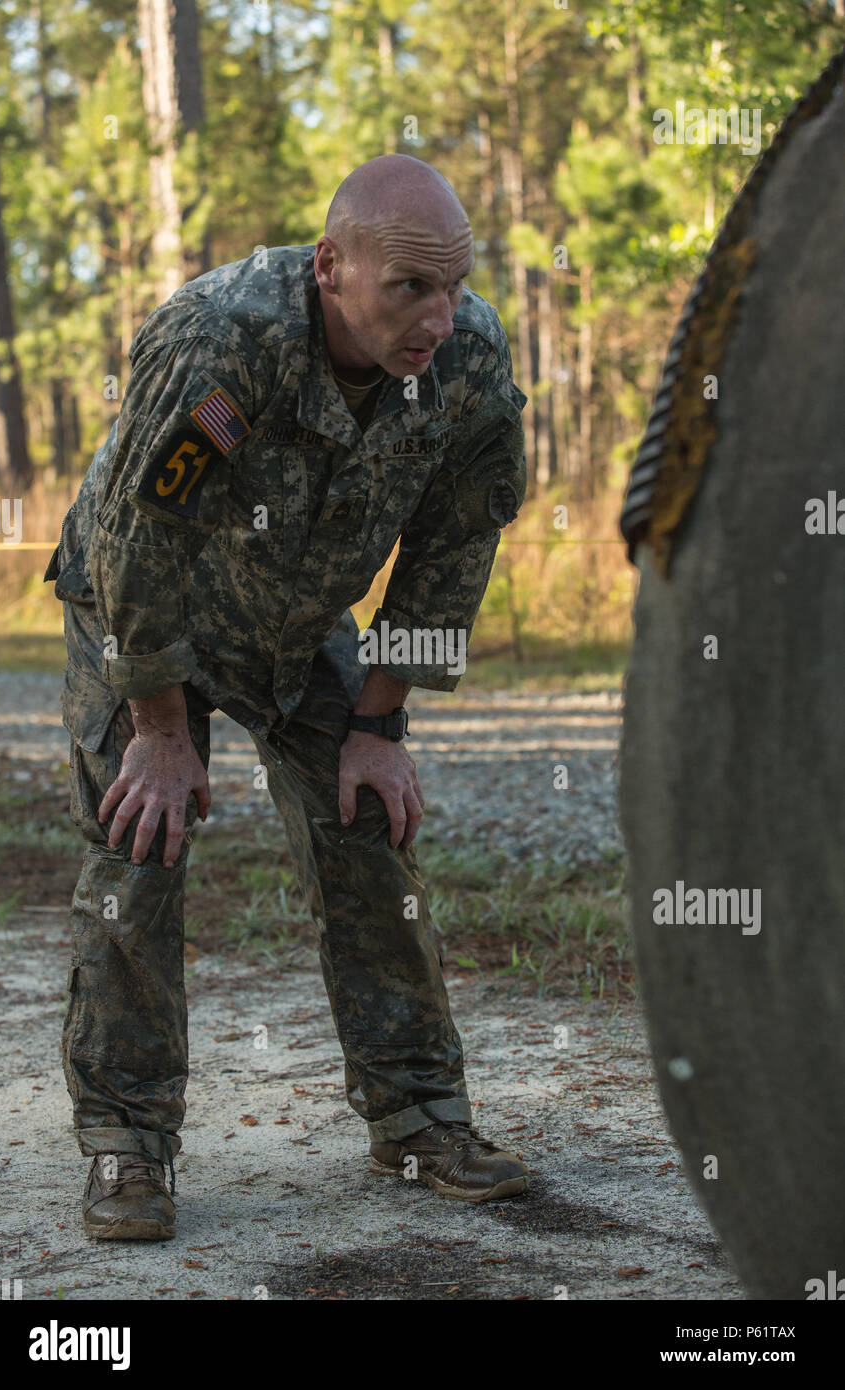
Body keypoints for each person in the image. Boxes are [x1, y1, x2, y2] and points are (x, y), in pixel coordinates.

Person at [45, 154, 530, 1241]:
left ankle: (418, 1117)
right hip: (145, 613)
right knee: (141, 841)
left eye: (452, 285)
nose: (437, 316)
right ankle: (126, 1144)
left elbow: (450, 552)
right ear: (331, 269)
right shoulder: (220, 342)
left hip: (297, 616)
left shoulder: (466, 364)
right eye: (409, 287)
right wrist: (164, 732)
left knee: (369, 829)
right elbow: (136, 539)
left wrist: (378, 724)